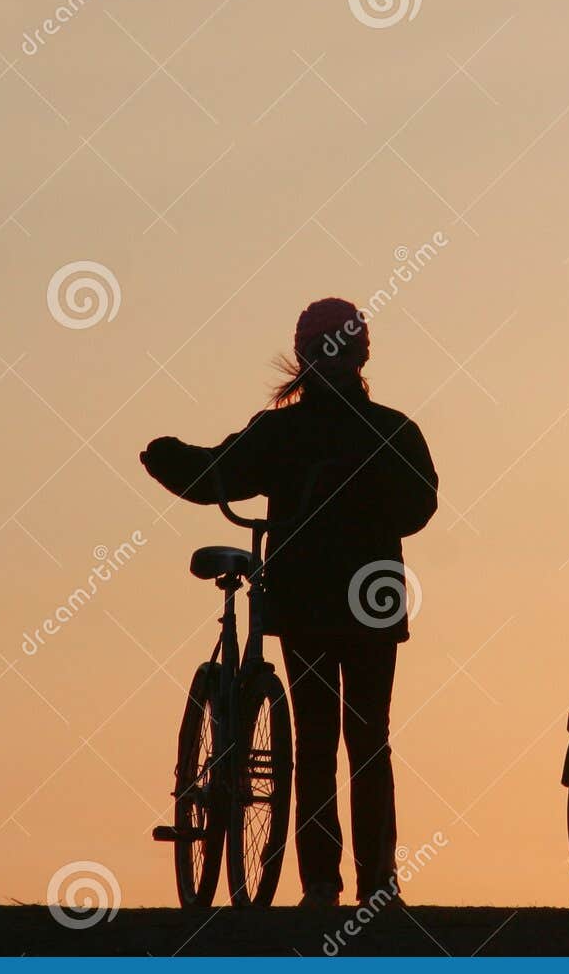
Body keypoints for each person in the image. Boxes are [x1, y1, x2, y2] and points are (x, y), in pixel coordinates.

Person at [139, 298, 438, 908]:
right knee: (366, 739)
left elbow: (215, 474)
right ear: (364, 354)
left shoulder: (281, 432)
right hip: (370, 602)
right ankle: (377, 883)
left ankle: (324, 887)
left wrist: (167, 456)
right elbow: (420, 506)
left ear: (304, 354)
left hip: (306, 600)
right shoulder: (393, 430)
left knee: (318, 741)